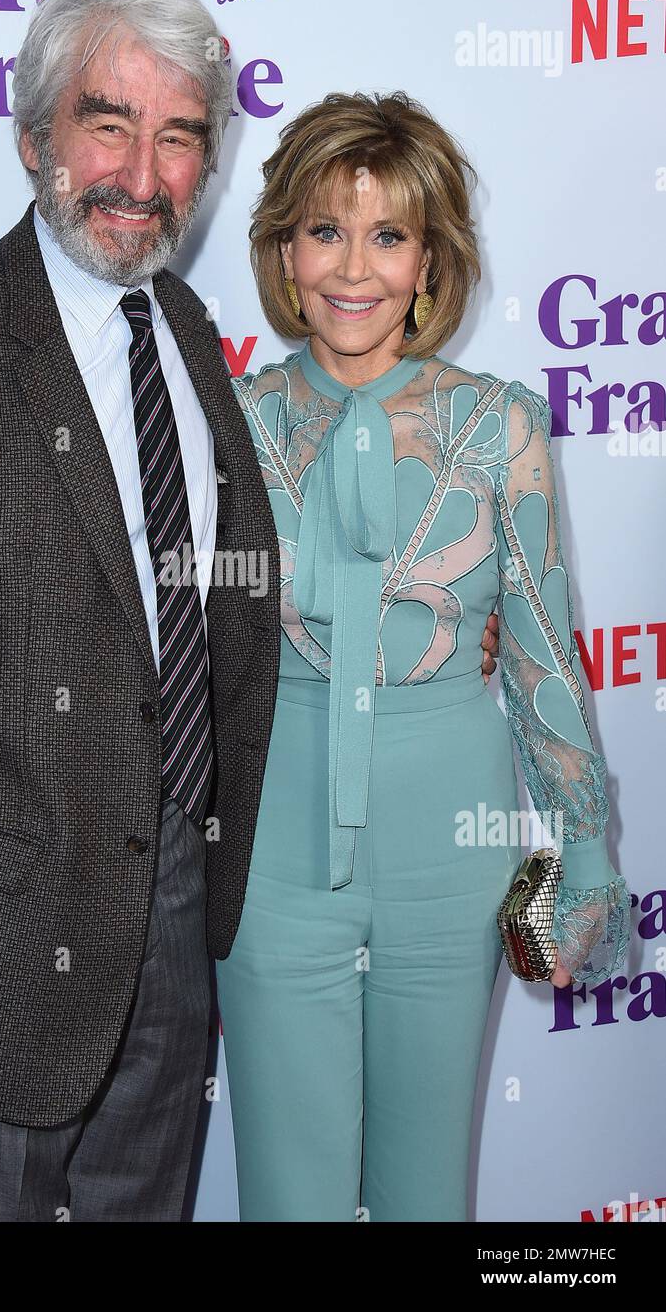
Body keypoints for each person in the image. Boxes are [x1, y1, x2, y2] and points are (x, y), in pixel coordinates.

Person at [0, 0, 501, 1222]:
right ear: (32, 139)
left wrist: (438, 620)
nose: (141, 168)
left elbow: (215, 594)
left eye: (179, 136)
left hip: (177, 934)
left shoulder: (183, 331)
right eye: (107, 121)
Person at [214, 90, 631, 1223]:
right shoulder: (227, 423)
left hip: (452, 859)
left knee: (422, 1199)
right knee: (288, 1203)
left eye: (387, 233)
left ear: (430, 259)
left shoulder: (497, 425)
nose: (354, 267)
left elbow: (542, 646)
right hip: (268, 867)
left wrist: (583, 852)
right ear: (282, 252)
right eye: (323, 229)